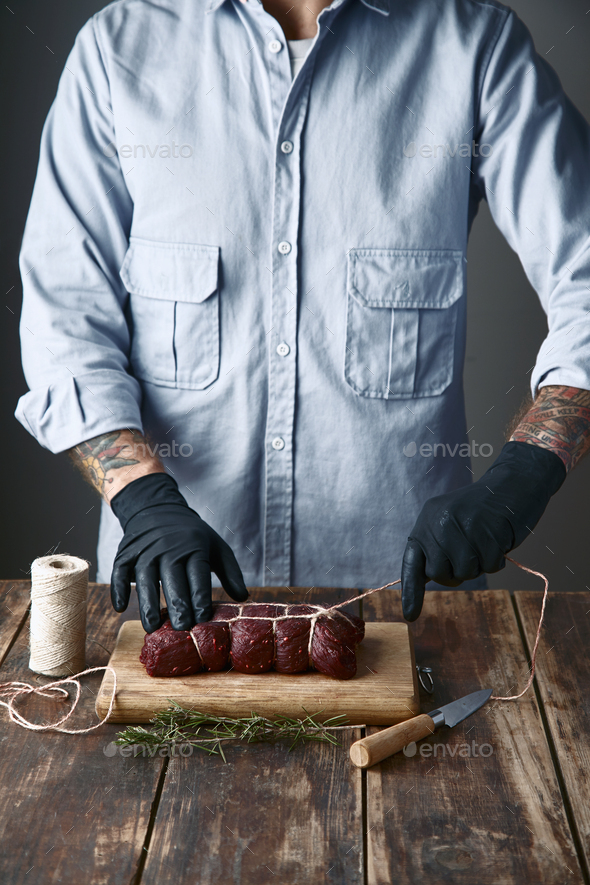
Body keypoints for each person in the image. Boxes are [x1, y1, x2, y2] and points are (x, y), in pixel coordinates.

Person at [15, 0, 590, 633]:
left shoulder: (477, 46)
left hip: (409, 612)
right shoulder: (117, 47)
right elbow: (64, 311)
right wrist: (142, 496)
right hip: (174, 608)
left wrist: (526, 471)